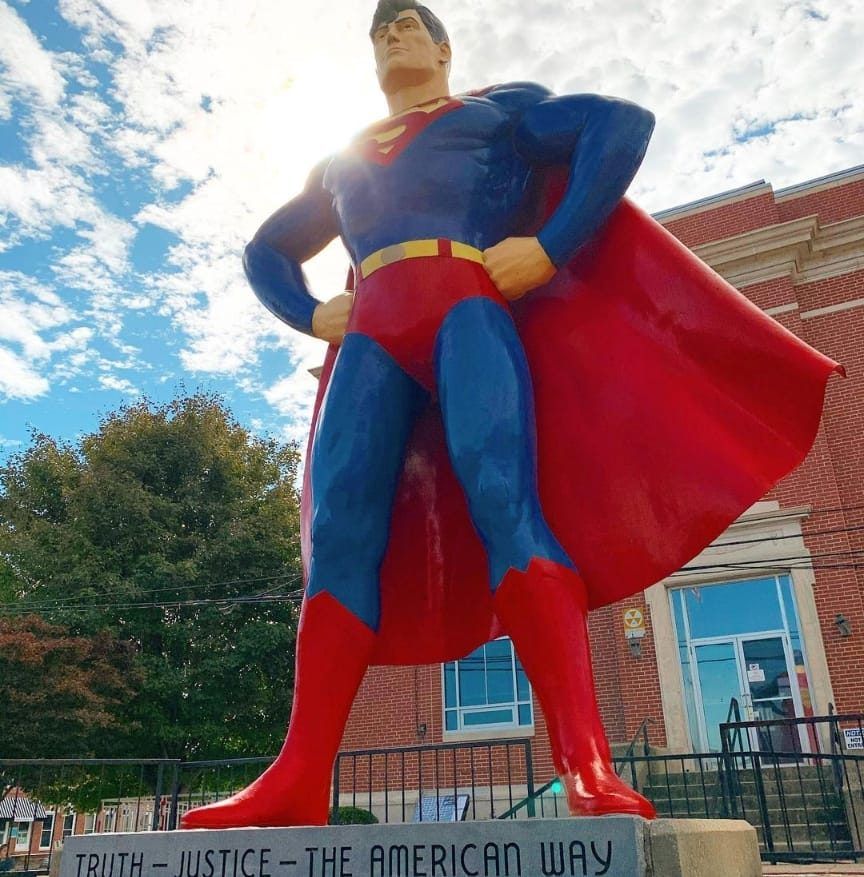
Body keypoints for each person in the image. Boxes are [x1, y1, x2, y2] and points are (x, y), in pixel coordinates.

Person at [182, 0, 839, 829]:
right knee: (341, 533)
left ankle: (585, 762)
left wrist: (554, 243)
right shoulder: (343, 161)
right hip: (374, 333)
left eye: (408, 26)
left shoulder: (495, 112)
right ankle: (299, 775)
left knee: (505, 500)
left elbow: (619, 124)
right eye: (379, 32)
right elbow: (265, 249)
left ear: (444, 46)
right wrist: (311, 313)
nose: (391, 37)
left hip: (467, 306)